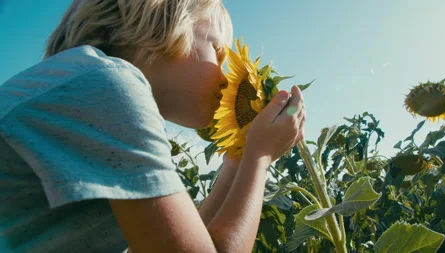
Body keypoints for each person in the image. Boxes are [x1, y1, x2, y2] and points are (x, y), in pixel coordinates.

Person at [0, 0, 306, 252]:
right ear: (170, 22)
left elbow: (190, 242)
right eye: (218, 50)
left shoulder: (80, 86)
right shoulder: (105, 83)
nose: (227, 79)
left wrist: (239, 156)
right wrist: (259, 157)